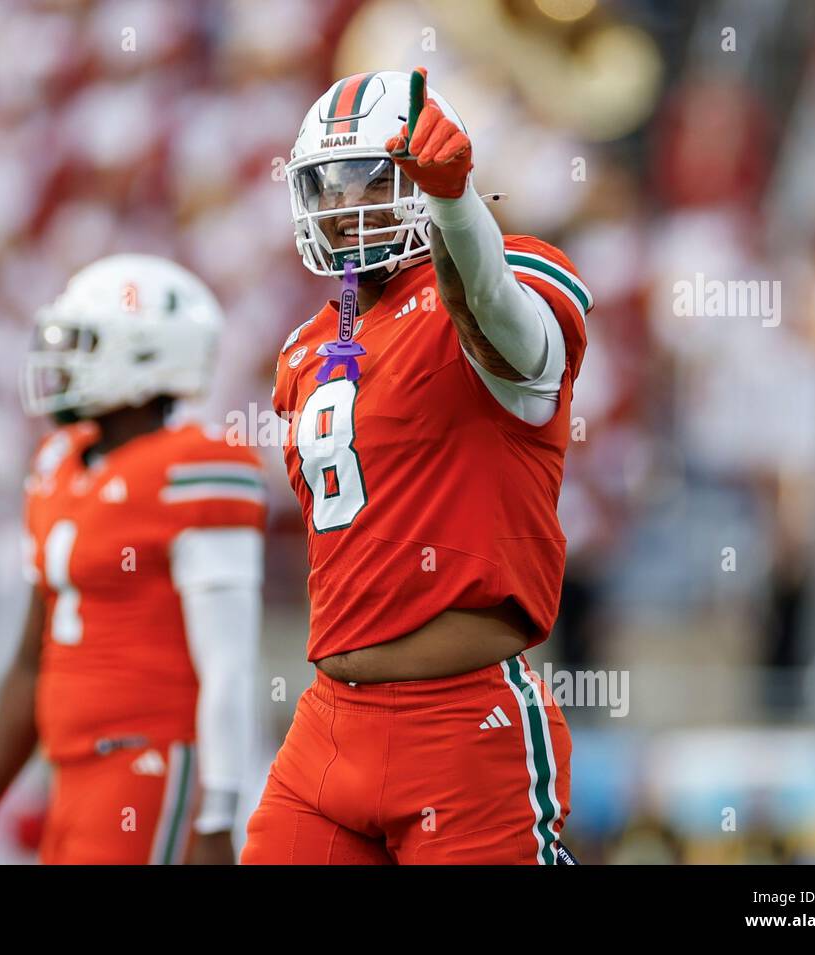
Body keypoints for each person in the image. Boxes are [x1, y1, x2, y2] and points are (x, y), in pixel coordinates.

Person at [243, 69, 591, 864]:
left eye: (364, 178)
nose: (338, 203)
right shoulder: (306, 347)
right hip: (330, 721)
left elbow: (496, 315)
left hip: (461, 724)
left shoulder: (506, 275)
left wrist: (455, 206)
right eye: (323, 184)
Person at [0, 255, 266, 864]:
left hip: (149, 761)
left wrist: (219, 814)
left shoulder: (196, 468)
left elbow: (228, 664)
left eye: (81, 344)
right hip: (70, 771)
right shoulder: (57, 463)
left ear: (147, 353)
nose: (61, 362)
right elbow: (32, 658)